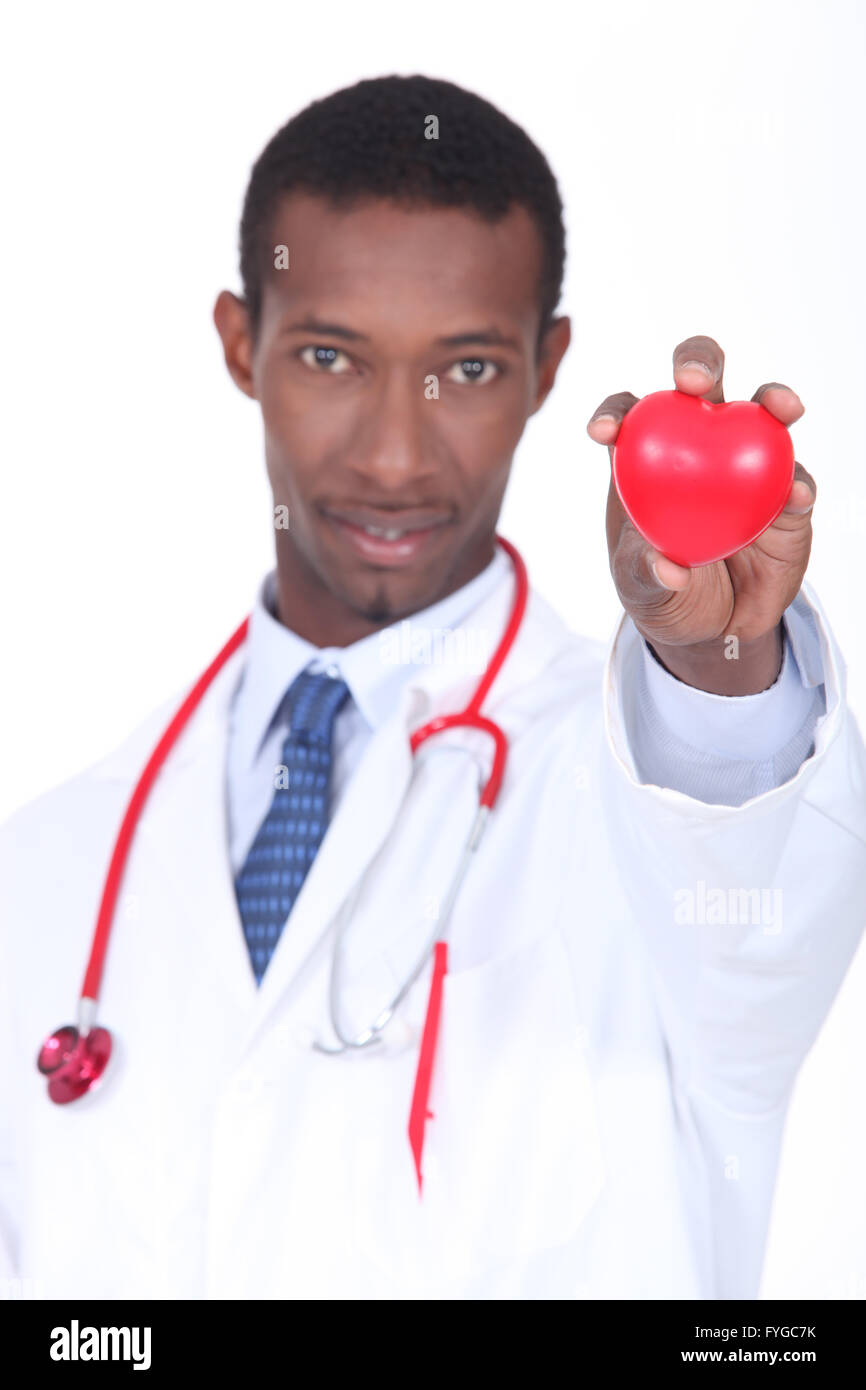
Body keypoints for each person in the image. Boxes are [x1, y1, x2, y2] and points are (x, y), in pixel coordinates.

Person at [1, 73, 863, 1302]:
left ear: (546, 366)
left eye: (464, 368)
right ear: (240, 344)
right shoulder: (44, 870)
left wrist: (712, 658)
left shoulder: (639, 787)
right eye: (329, 355)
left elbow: (746, 884)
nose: (395, 456)